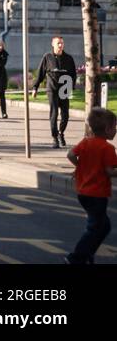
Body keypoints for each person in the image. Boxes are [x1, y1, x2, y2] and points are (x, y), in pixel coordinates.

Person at [64, 108, 117, 265]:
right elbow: (109, 171)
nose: (115, 130)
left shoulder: (86, 142)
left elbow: (70, 154)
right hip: (97, 194)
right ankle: (76, 257)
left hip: (83, 192)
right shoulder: (107, 148)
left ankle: (87, 254)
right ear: (107, 129)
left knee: (103, 226)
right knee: (95, 227)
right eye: (115, 127)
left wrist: (80, 166)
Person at [34, 36, 78, 149]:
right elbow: (40, 73)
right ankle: (54, 138)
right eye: (58, 43)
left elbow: (73, 74)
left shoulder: (68, 58)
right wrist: (35, 87)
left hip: (65, 89)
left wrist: (71, 87)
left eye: (62, 43)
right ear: (53, 44)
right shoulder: (47, 57)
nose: (60, 45)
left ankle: (61, 133)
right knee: (54, 114)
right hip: (52, 89)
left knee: (65, 115)